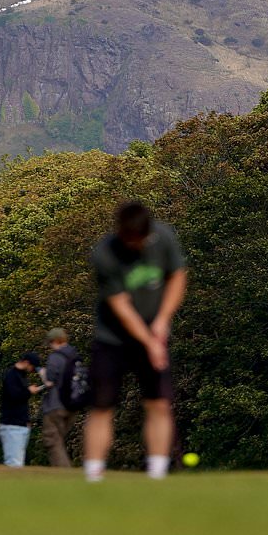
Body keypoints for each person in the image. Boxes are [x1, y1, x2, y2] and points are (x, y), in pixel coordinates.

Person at [84, 200, 187, 482]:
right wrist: (151, 342)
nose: (135, 245)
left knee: (158, 403)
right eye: (130, 240)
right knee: (102, 406)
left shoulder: (163, 238)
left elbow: (177, 277)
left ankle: (157, 473)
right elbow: (122, 308)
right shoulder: (105, 254)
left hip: (154, 333)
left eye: (140, 239)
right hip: (112, 339)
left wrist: (163, 321)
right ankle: (93, 475)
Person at [38, 327, 80, 468]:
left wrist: (42, 373)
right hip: (73, 404)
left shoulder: (56, 357)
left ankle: (63, 472)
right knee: (60, 439)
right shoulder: (75, 356)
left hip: (56, 404)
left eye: (50, 343)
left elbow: (49, 382)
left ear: (55, 341)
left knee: (52, 440)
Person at [0, 353, 41, 467]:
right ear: (26, 363)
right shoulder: (12, 376)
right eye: (32, 367)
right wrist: (28, 391)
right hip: (12, 424)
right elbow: (14, 395)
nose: (32, 371)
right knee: (14, 462)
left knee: (18, 461)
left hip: (20, 424)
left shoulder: (21, 377)